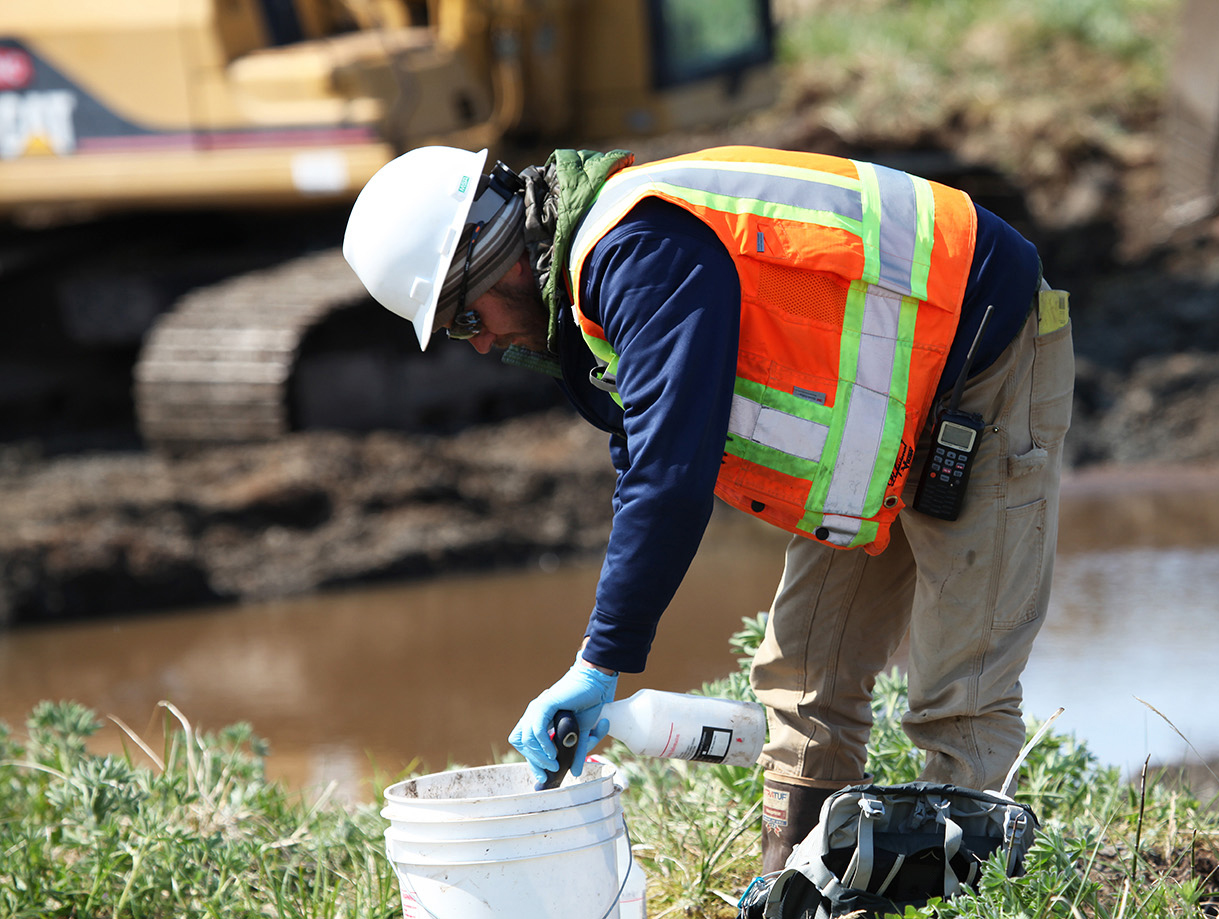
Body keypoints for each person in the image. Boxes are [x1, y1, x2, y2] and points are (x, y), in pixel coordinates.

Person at [342, 144, 1074, 871]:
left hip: (985, 352)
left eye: (467, 319)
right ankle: (794, 884)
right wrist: (599, 665)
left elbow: (670, 472)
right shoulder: (589, 285)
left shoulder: (639, 252)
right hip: (882, 413)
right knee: (805, 677)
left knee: (959, 696)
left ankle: (982, 890)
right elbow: (641, 446)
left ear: (496, 253)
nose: (481, 345)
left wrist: (600, 662)